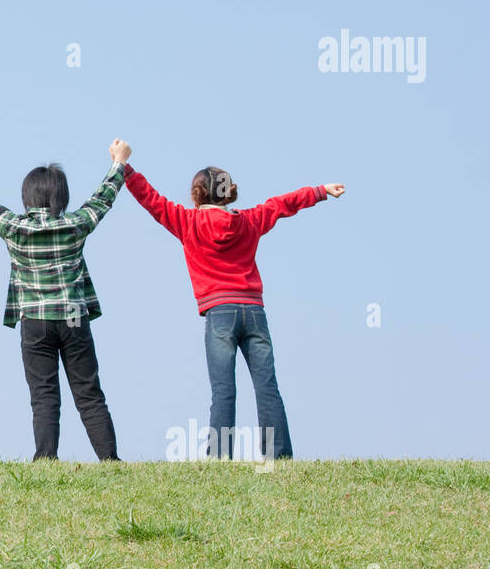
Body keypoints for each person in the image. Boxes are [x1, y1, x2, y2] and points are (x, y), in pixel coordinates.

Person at [122, 163, 345, 459]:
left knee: (223, 390)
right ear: (229, 194)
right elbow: (280, 205)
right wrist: (319, 192)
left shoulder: (187, 222)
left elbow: (151, 199)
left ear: (197, 195)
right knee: (267, 386)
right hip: (254, 311)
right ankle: (278, 457)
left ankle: (219, 458)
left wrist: (124, 168)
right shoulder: (249, 221)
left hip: (219, 314)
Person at [0, 139, 132, 461]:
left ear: (26, 196)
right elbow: (103, 199)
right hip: (74, 316)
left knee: (44, 395)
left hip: (34, 320)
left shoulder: (15, 228)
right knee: (89, 393)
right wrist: (119, 163)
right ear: (62, 197)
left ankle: (46, 457)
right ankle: (109, 459)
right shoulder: (74, 225)